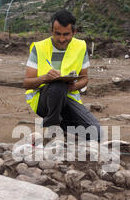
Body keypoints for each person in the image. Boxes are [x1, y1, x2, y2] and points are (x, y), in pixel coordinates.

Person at [24, 9, 101, 141]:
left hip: (68, 97)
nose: (61, 39)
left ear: (74, 32)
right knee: (58, 85)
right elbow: (27, 83)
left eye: (66, 34)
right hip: (43, 101)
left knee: (95, 133)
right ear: (51, 30)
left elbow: (84, 78)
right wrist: (45, 78)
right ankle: (53, 126)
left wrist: (72, 87)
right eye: (57, 33)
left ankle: (64, 127)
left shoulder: (81, 46)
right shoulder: (39, 47)